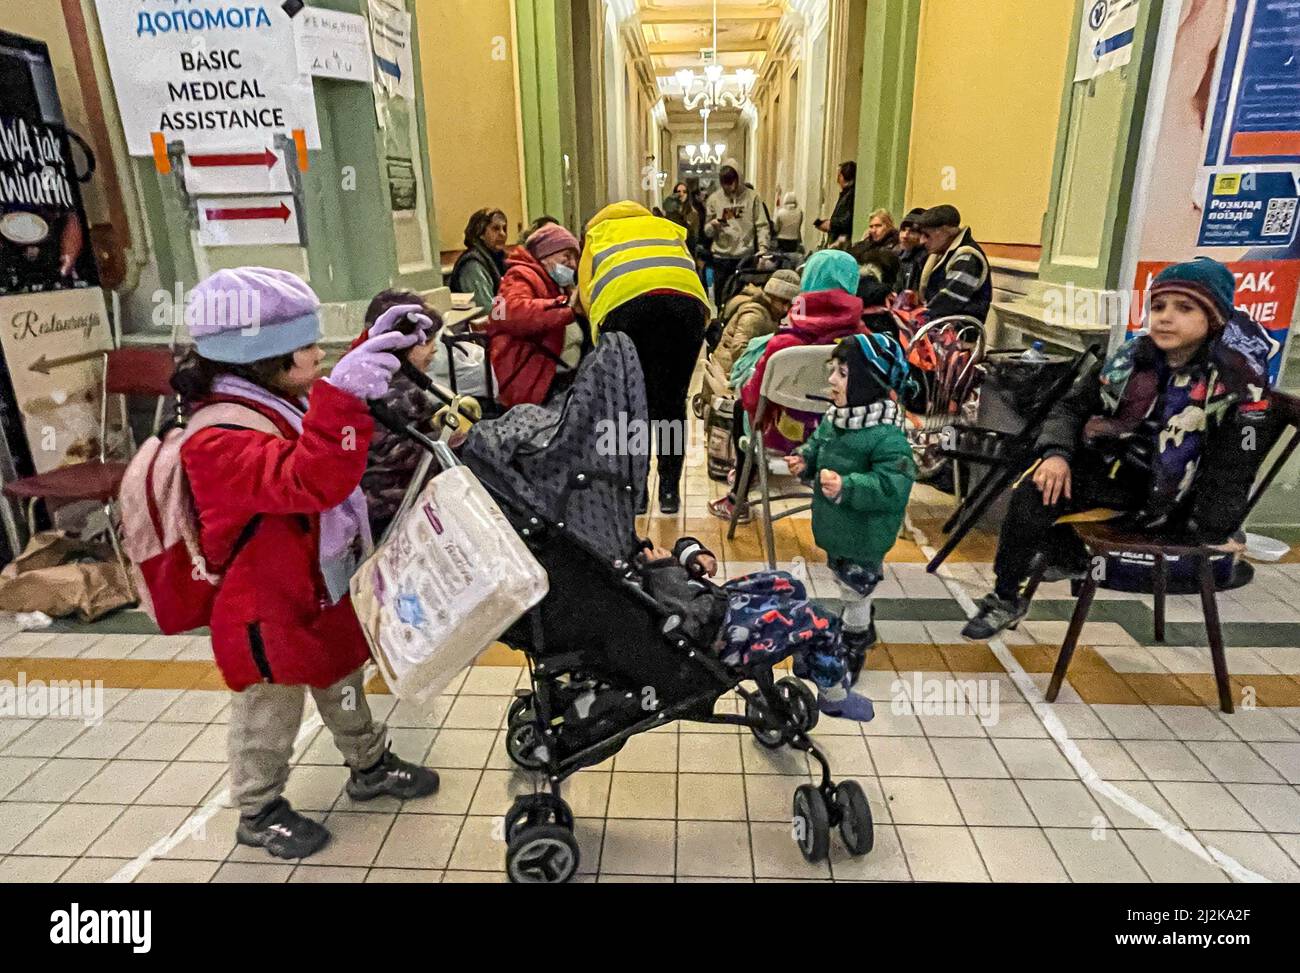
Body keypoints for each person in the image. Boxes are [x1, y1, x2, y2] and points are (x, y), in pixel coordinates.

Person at [171, 267, 440, 860]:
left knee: (341, 676)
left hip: (317, 583)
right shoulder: (216, 437)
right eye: (309, 347)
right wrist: (343, 397)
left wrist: (368, 353)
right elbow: (313, 480)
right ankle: (258, 808)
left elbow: (323, 439)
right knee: (269, 707)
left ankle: (368, 766)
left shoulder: (276, 398)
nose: (320, 355)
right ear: (262, 356)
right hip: (263, 601)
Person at [962, 258, 1273, 640]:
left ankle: (1068, 552)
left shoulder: (1236, 381)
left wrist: (1211, 526)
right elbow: (1072, 407)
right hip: (1119, 471)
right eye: (1158, 306)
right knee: (1034, 488)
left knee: (1045, 513)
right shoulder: (1132, 359)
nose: (1165, 318)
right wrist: (1056, 454)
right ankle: (1007, 595)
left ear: (1214, 319)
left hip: (1180, 500)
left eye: (1184, 308)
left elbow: (1236, 462)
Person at [787, 333, 917, 682]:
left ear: (866, 383)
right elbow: (819, 444)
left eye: (842, 374)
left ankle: (855, 640)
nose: (831, 380)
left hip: (865, 535)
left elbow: (893, 487)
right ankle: (859, 623)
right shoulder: (837, 417)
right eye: (834, 370)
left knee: (854, 590)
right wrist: (806, 459)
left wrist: (849, 486)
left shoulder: (888, 436)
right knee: (844, 578)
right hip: (838, 527)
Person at [634, 537, 875, 720]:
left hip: (715, 601)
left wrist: (692, 553)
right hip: (716, 631)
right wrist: (664, 569)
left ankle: (807, 659)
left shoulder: (620, 547)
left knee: (788, 583)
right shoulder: (630, 590)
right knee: (823, 624)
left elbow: (671, 561)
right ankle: (834, 698)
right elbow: (683, 618)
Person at [710, 249, 867, 523]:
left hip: (786, 436)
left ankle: (738, 499)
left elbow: (752, 401)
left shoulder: (785, 342)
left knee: (739, 408)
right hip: (844, 436)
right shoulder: (866, 341)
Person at [577, 200, 711, 514]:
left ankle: (636, 494)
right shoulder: (666, 227)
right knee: (671, 402)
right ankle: (669, 492)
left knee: (627, 405)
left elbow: (585, 297)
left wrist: (599, 337)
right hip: (686, 309)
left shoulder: (597, 234)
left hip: (627, 310)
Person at [491, 222, 584, 408]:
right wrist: (565, 307)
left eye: (575, 258)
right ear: (545, 255)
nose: (573, 265)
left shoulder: (555, 283)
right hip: (532, 382)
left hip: (556, 378)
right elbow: (511, 312)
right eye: (566, 257)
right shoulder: (519, 276)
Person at [702, 269, 800, 406]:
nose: (786, 309)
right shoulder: (755, 315)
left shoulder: (771, 313)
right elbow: (739, 348)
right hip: (728, 374)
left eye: (789, 304)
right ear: (772, 297)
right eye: (784, 302)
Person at [704, 158, 772, 306]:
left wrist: (763, 249)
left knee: (743, 299)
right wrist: (713, 225)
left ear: (738, 178)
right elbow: (707, 232)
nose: (730, 188)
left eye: (732, 183)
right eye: (726, 184)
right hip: (721, 257)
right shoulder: (714, 199)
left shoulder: (752, 197)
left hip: (744, 256)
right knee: (721, 299)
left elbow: (762, 225)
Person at [915, 204, 992, 323]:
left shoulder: (967, 256)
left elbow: (949, 301)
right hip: (941, 328)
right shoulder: (940, 253)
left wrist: (916, 318)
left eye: (927, 235)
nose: (922, 241)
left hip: (959, 334)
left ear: (947, 231)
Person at [449, 208, 508, 316]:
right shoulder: (472, 265)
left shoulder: (501, 259)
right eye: (496, 229)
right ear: (480, 233)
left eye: (504, 229)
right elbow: (486, 309)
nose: (503, 234)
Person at [815, 161, 857, 247]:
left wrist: (831, 224)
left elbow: (847, 221)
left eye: (839, 175)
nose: (837, 179)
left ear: (842, 177)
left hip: (841, 241)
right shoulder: (847, 194)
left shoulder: (850, 196)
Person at [896, 207, 928, 294]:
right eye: (903, 230)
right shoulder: (898, 256)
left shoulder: (928, 260)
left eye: (912, 231)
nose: (905, 236)